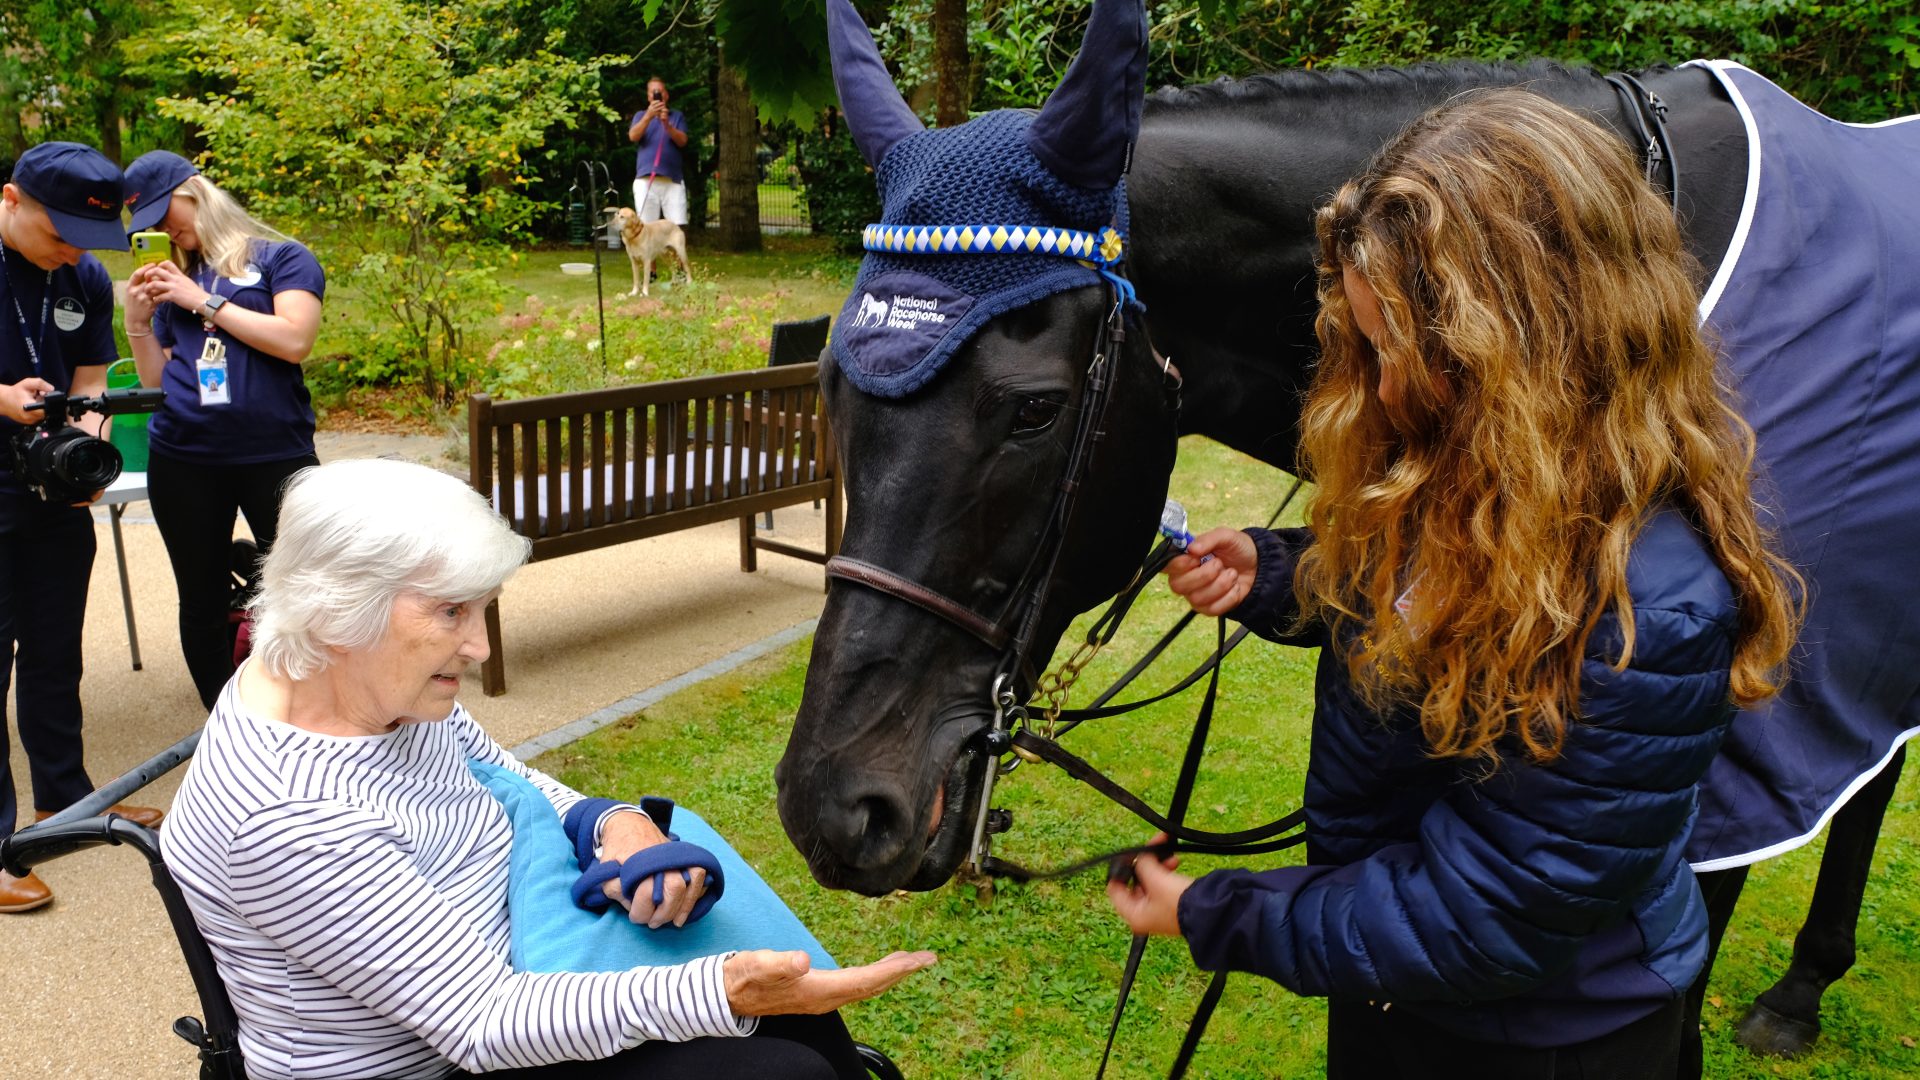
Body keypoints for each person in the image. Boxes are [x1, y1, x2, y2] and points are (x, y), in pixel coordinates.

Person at [1104, 91, 1802, 1079]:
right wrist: (1282, 572)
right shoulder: (1472, 472)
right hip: (1410, 997)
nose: (1382, 388)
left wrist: (1216, 913)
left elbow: (1484, 917)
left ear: (1535, 354)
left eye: (1402, 354)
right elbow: (1428, 601)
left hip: (1546, 1037)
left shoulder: (1646, 609)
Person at [161, 458, 935, 1079]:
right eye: (450, 613)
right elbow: (480, 1024)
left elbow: (509, 782)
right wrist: (719, 988)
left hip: (531, 959)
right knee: (773, 1061)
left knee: (799, 1019)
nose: (479, 648)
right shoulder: (287, 816)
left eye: (480, 608)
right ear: (335, 610)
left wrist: (614, 824)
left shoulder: (358, 681)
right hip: (442, 1051)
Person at [0, 142, 166, 915]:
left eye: (84, 236)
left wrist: (87, 450)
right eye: (59, 229)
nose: (72, 248)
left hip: (50, 497)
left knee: (55, 653)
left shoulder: (84, 276)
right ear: (11, 199)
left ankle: (61, 803)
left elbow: (90, 382)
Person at [120, 151, 324, 711]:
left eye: (167, 213)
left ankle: (311, 710)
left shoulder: (284, 258)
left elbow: (293, 338)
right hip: (184, 456)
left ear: (195, 190)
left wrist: (205, 300)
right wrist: (138, 322)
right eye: (151, 227)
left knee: (308, 588)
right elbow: (157, 381)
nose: (165, 230)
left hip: (274, 452)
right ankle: (225, 720)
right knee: (201, 594)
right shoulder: (173, 279)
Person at [629, 76, 690, 227]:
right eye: (653, 92)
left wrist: (667, 125)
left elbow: (682, 141)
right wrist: (648, 117)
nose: (657, 95)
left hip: (672, 180)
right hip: (646, 180)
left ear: (666, 95)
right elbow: (633, 136)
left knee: (676, 228)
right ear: (648, 96)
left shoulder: (676, 116)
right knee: (645, 229)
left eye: (660, 92)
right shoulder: (640, 116)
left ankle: (675, 252)